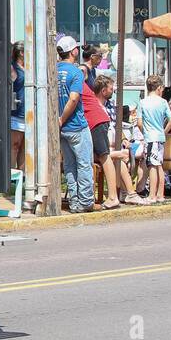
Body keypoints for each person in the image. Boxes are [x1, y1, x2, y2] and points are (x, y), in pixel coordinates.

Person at [56, 35, 94, 212]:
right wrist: (63, 118)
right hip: (76, 125)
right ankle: (86, 201)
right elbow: (73, 99)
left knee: (70, 166)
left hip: (61, 129)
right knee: (84, 164)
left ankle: (74, 202)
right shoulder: (75, 72)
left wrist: (58, 121)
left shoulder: (53, 70)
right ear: (73, 51)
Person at [82, 73, 119, 209]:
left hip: (96, 121)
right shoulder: (78, 80)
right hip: (94, 121)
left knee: (104, 156)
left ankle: (113, 197)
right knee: (95, 156)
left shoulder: (73, 79)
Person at [136, 74, 171, 203]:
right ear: (158, 88)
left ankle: (152, 195)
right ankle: (160, 194)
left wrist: (145, 132)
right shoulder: (163, 102)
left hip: (150, 137)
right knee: (159, 166)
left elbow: (139, 123)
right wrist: (163, 132)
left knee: (151, 165)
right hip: (160, 137)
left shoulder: (143, 102)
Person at [10, 41, 26, 172]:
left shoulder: (29, 68)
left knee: (25, 149)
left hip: (28, 114)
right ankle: (9, 179)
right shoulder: (13, 67)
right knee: (14, 146)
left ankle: (24, 179)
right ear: (21, 53)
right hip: (16, 114)